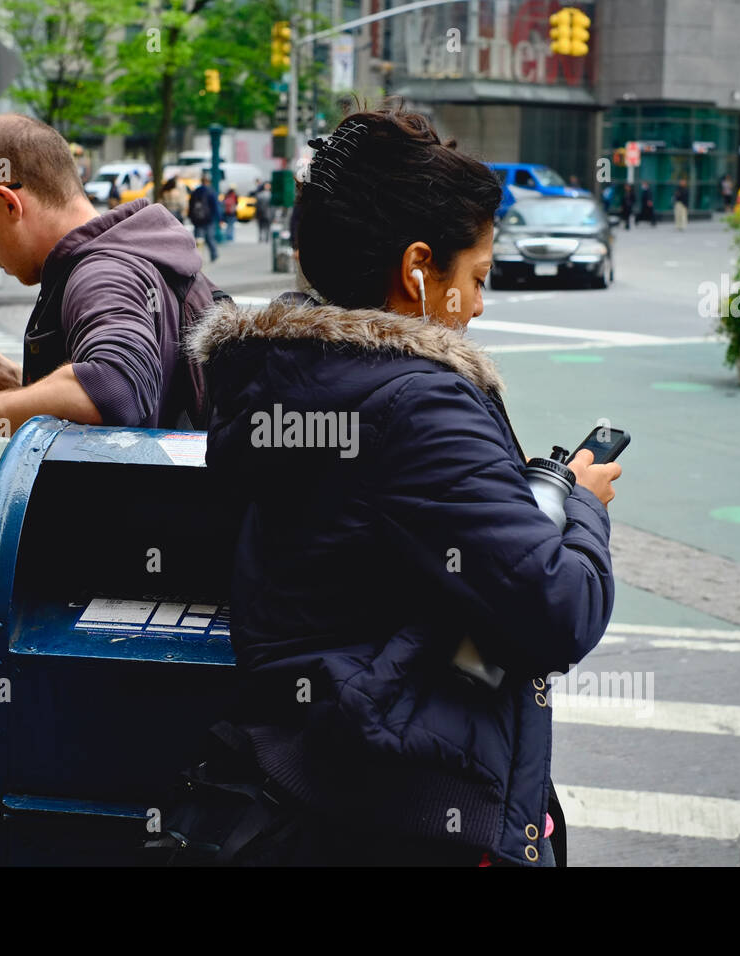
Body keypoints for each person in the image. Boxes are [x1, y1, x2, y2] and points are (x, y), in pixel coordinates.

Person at [184, 104, 619, 866]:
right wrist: (581, 505)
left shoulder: (285, 377)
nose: (479, 305)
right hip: (409, 799)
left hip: (312, 772)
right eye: (477, 277)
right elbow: (558, 608)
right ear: (418, 266)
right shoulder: (417, 403)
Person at [0, 114, 222, 865]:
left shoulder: (103, 272)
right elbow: (139, 401)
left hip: (121, 600)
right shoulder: (136, 251)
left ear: (8, 200)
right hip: (173, 586)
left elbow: (113, 389)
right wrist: (5, 381)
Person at [187, 174, 220, 262]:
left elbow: (190, 205)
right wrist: (219, 218)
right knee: (210, 238)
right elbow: (215, 206)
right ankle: (214, 255)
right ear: (208, 182)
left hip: (197, 220)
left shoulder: (195, 192)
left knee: (198, 239)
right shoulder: (211, 191)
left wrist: (191, 217)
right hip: (209, 219)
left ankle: (198, 257)